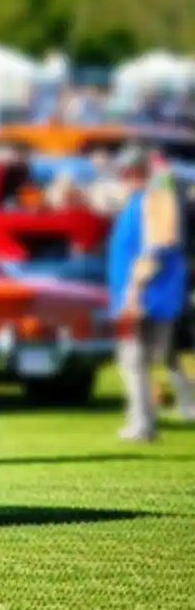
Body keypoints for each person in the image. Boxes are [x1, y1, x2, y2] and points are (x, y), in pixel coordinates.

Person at [107, 148, 195, 442]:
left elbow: (157, 246)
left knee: (136, 359)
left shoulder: (155, 199)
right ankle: (172, 410)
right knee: (153, 358)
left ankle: (144, 423)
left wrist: (135, 289)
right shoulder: (141, 200)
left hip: (151, 295)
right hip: (148, 295)